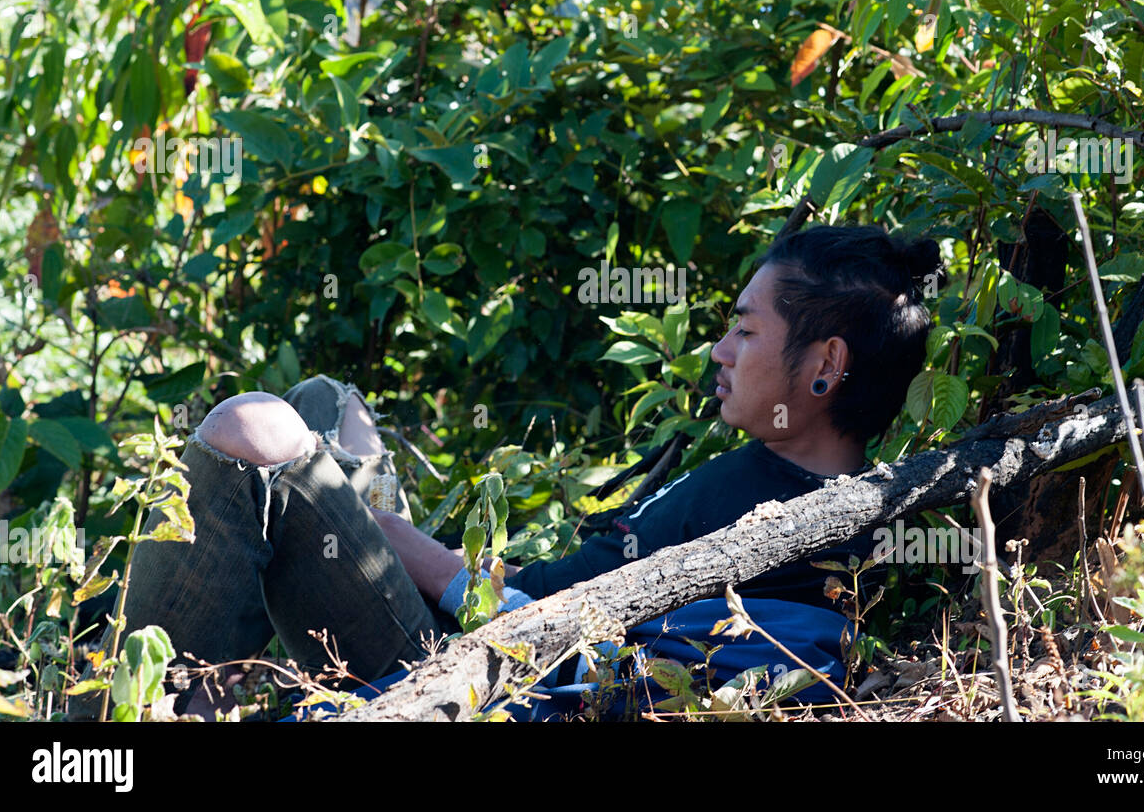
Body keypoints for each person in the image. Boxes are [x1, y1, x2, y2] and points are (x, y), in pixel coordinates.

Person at [103, 223, 944, 717]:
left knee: (251, 426)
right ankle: (256, 610)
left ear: (826, 364)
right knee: (328, 401)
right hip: (475, 604)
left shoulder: (796, 535)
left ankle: (132, 711)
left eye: (746, 331)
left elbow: (578, 657)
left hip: (468, 658)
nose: (720, 350)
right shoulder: (770, 466)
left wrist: (392, 539)